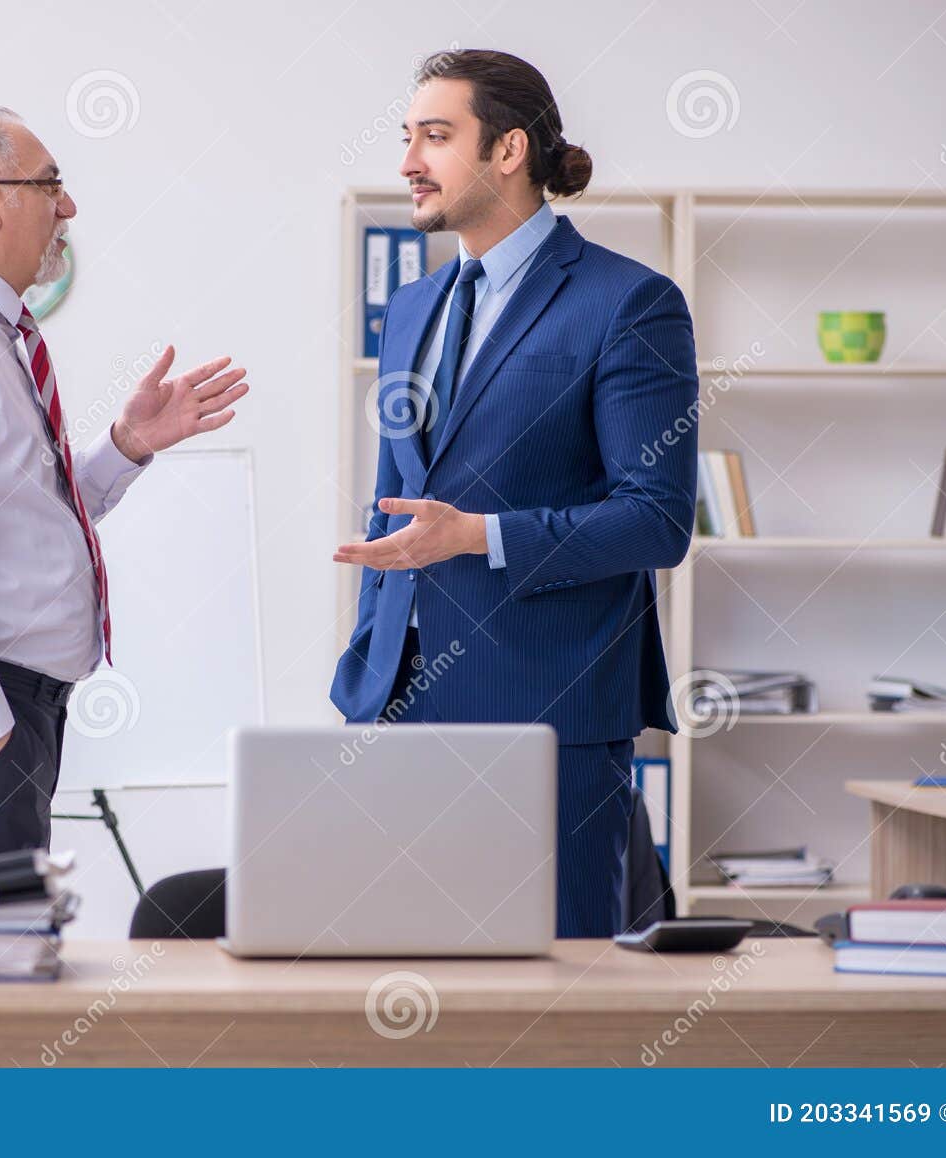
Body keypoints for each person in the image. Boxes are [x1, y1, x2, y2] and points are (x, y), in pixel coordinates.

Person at [330, 50, 698, 938]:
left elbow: (656, 518)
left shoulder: (629, 303)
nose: (409, 161)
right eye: (406, 138)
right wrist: (365, 665)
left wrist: (478, 536)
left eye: (435, 136)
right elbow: (399, 499)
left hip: (549, 710)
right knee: (405, 976)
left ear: (508, 150)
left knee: (556, 1003)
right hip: (398, 702)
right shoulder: (411, 310)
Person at [0, 103, 249, 859]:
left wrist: (127, 445)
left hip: (4, 709)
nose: (69, 207)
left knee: (6, 959)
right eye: (50, 185)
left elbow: (24, 521)